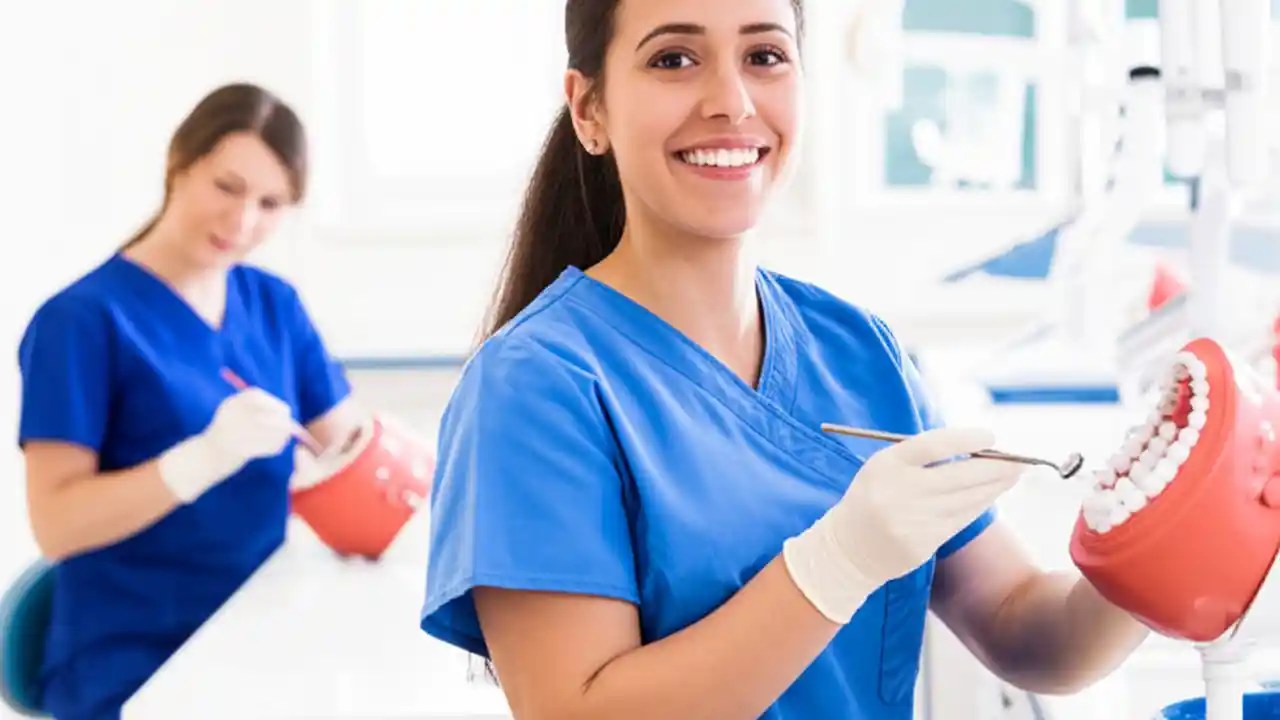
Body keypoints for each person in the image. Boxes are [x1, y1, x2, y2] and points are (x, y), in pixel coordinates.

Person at [418, 0, 1149, 718]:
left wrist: (1164, 541)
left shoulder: (860, 352)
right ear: (590, 111)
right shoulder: (535, 385)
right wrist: (838, 562)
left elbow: (1027, 629)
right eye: (674, 59)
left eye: (764, 56)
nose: (731, 101)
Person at [17, 82, 365, 719]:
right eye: (227, 187)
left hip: (258, 635)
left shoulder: (273, 304)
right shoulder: (81, 322)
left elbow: (350, 451)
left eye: (270, 204)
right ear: (178, 164)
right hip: (132, 665)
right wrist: (201, 460)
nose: (243, 222)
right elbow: (57, 526)